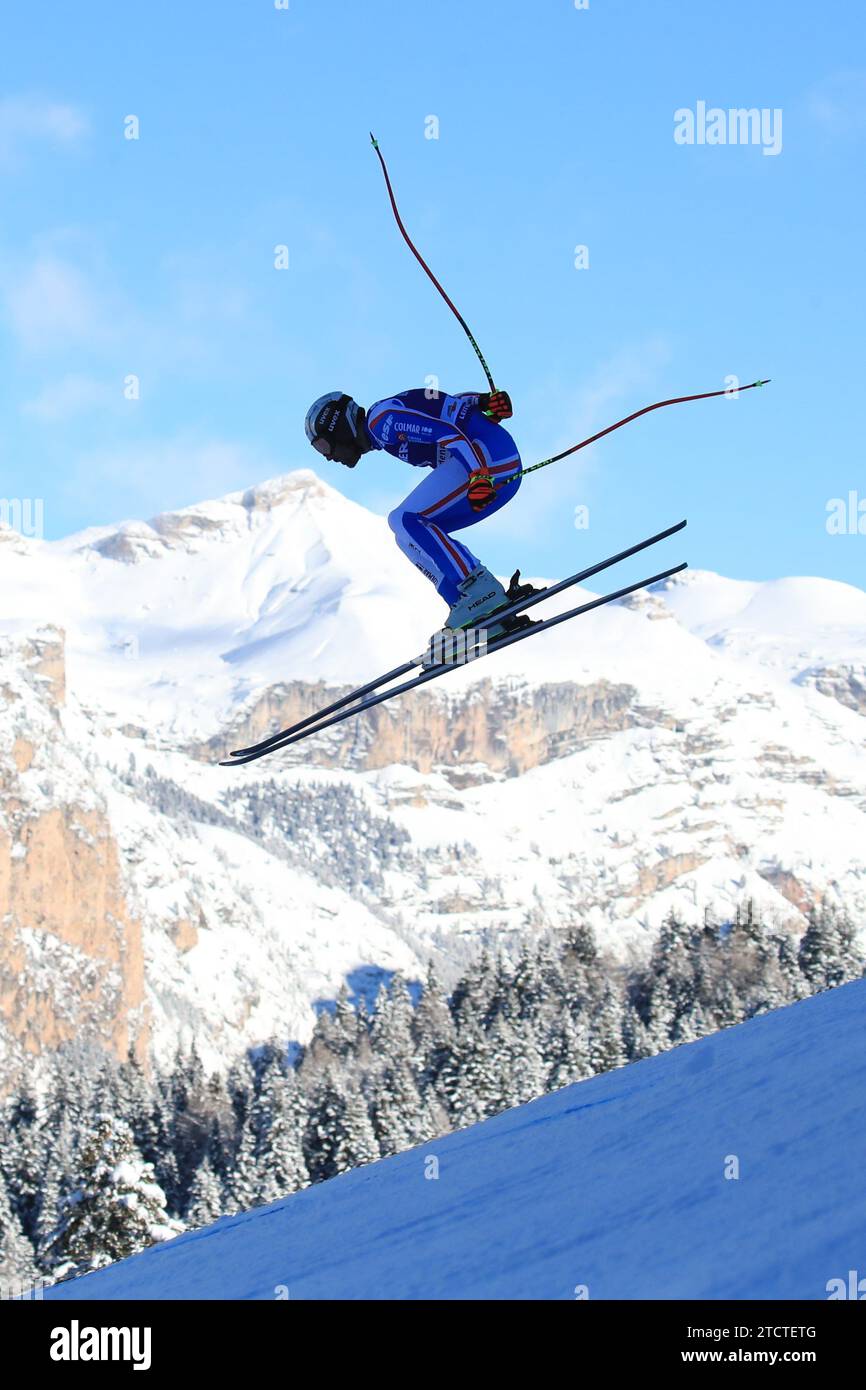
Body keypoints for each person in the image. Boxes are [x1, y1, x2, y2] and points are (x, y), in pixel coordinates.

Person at [304, 387, 539, 647]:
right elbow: (448, 408)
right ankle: (472, 612)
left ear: (339, 427)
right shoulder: (384, 424)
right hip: (488, 463)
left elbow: (450, 434)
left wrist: (478, 475)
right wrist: (483, 402)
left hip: (489, 460)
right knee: (407, 536)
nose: (327, 457)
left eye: (323, 445)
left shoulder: (383, 421)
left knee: (405, 520)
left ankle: (481, 592)